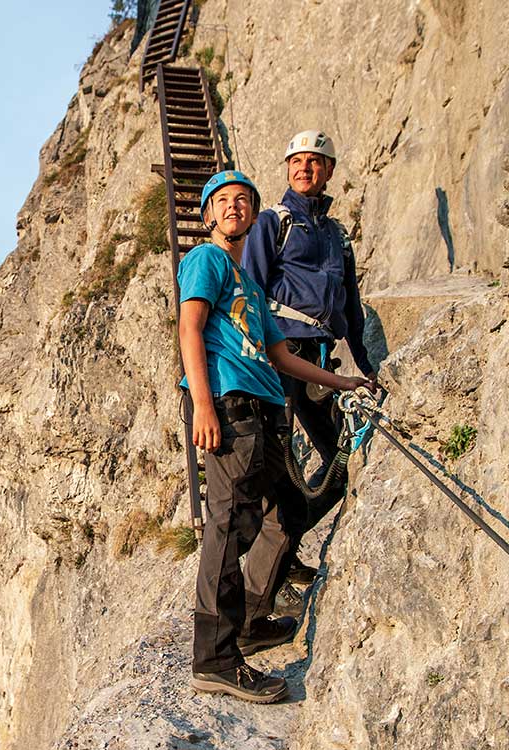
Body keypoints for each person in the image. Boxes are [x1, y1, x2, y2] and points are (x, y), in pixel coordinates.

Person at [179, 170, 369, 704]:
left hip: (266, 411)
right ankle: (214, 659)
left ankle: (252, 620)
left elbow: (284, 356)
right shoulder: (206, 260)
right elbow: (190, 328)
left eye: (245, 200)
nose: (236, 206)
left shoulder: (253, 290)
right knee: (231, 523)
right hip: (229, 404)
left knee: (288, 508)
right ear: (210, 215)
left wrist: (343, 380)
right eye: (224, 201)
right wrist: (202, 404)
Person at [239, 130, 378, 588]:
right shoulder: (271, 223)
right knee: (277, 469)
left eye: (315, 162)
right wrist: (253, 360)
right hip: (280, 359)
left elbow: (352, 308)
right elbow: (250, 291)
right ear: (287, 169)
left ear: (329, 171)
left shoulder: (338, 236)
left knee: (342, 463)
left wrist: (367, 367)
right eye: (297, 161)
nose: (305, 168)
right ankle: (274, 568)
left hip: (320, 361)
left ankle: (284, 544)